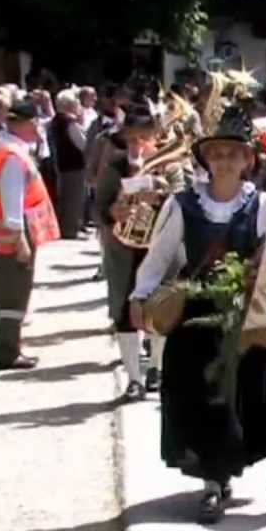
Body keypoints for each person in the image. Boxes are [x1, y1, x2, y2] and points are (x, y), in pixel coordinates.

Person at [128, 105, 266, 526]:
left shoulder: (264, 206)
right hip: (194, 319)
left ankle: (222, 471)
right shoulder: (183, 206)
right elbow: (160, 256)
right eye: (217, 154)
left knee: (235, 400)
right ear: (206, 160)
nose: (224, 161)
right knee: (201, 401)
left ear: (248, 160)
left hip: (241, 320)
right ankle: (212, 481)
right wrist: (140, 296)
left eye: (233, 154)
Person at [99, 107, 178, 400]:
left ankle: (156, 367)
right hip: (123, 250)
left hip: (158, 248)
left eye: (143, 138)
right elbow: (100, 206)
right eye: (131, 139)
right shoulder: (114, 167)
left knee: (159, 307)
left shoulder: (170, 165)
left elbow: (184, 200)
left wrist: (161, 195)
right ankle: (134, 379)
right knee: (124, 311)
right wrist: (113, 210)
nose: (137, 145)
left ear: (156, 138)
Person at [0, 100, 61, 370]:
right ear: (25, 123)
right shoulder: (12, 156)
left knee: (15, 290)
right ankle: (7, 352)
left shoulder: (11, 150)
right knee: (14, 292)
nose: (38, 127)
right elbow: (12, 199)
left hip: (13, 231)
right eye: (35, 122)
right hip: (15, 233)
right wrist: (19, 239)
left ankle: (9, 347)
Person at [50, 88, 89, 239]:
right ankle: (71, 230)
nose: (79, 104)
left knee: (68, 197)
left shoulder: (56, 121)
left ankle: (72, 227)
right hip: (74, 165)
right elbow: (82, 144)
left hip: (64, 164)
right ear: (69, 105)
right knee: (74, 198)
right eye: (76, 102)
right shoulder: (68, 122)